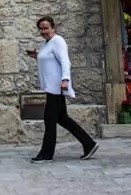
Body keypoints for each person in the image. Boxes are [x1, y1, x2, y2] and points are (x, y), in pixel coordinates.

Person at [26, 15, 98, 163]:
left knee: (50, 119)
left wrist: (65, 79)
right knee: (62, 118)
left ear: (53, 27)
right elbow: (50, 60)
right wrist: (37, 56)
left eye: (46, 28)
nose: (43, 31)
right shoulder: (47, 44)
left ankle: (46, 154)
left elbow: (65, 61)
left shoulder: (58, 41)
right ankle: (89, 144)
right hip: (51, 87)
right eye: (40, 29)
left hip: (57, 87)